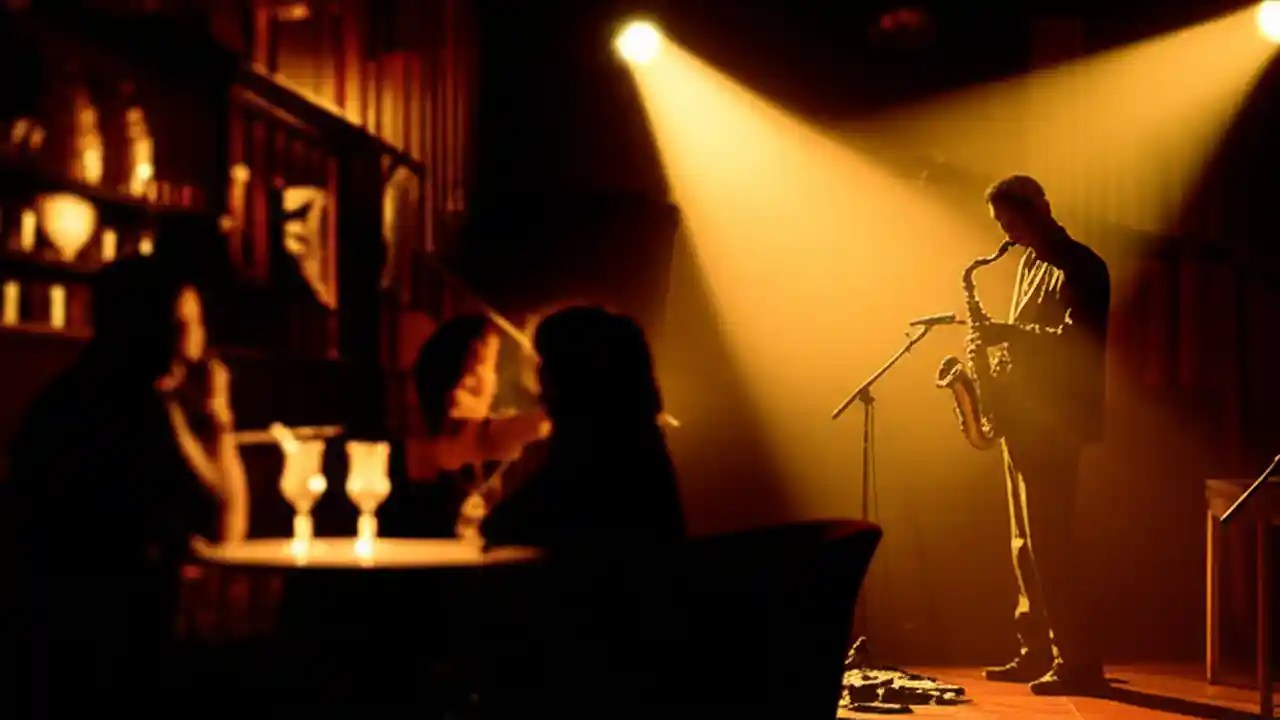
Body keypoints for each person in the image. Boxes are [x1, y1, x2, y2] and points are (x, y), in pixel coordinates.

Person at [4, 254, 249, 716]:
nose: (198, 346)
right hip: (105, 653)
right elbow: (223, 526)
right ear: (155, 329)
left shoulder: (68, 395)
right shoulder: (137, 405)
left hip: (46, 643)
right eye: (187, 324)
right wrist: (219, 419)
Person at [970, 175, 1110, 695]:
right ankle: (1036, 649)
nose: (1008, 233)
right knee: (1025, 544)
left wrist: (1008, 336)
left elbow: (1079, 343)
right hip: (1025, 419)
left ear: (1042, 208)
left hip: (1056, 423)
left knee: (1052, 544)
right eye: (1002, 225)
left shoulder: (1083, 266)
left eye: (1013, 221)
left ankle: (1078, 661)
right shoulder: (1029, 262)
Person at [382, 314, 548, 539]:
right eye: (468, 360)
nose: (472, 376)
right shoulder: (394, 459)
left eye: (483, 361)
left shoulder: (509, 443)